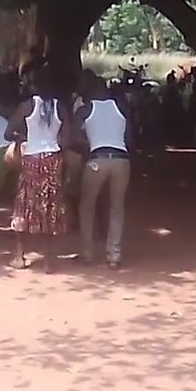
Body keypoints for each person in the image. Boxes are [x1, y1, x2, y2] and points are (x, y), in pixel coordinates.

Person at [5, 61, 71, 271]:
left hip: (32, 159)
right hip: (53, 160)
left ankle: (20, 256)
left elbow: (8, 132)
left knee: (24, 205)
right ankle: (49, 260)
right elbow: (67, 140)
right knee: (50, 207)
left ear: (34, 85)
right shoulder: (61, 107)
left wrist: (24, 136)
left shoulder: (26, 106)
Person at [75, 76, 131, 269]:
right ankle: (114, 255)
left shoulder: (85, 109)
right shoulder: (121, 106)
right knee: (117, 208)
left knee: (86, 207)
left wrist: (89, 144)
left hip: (97, 159)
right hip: (121, 159)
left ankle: (87, 253)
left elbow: (73, 137)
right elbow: (130, 136)